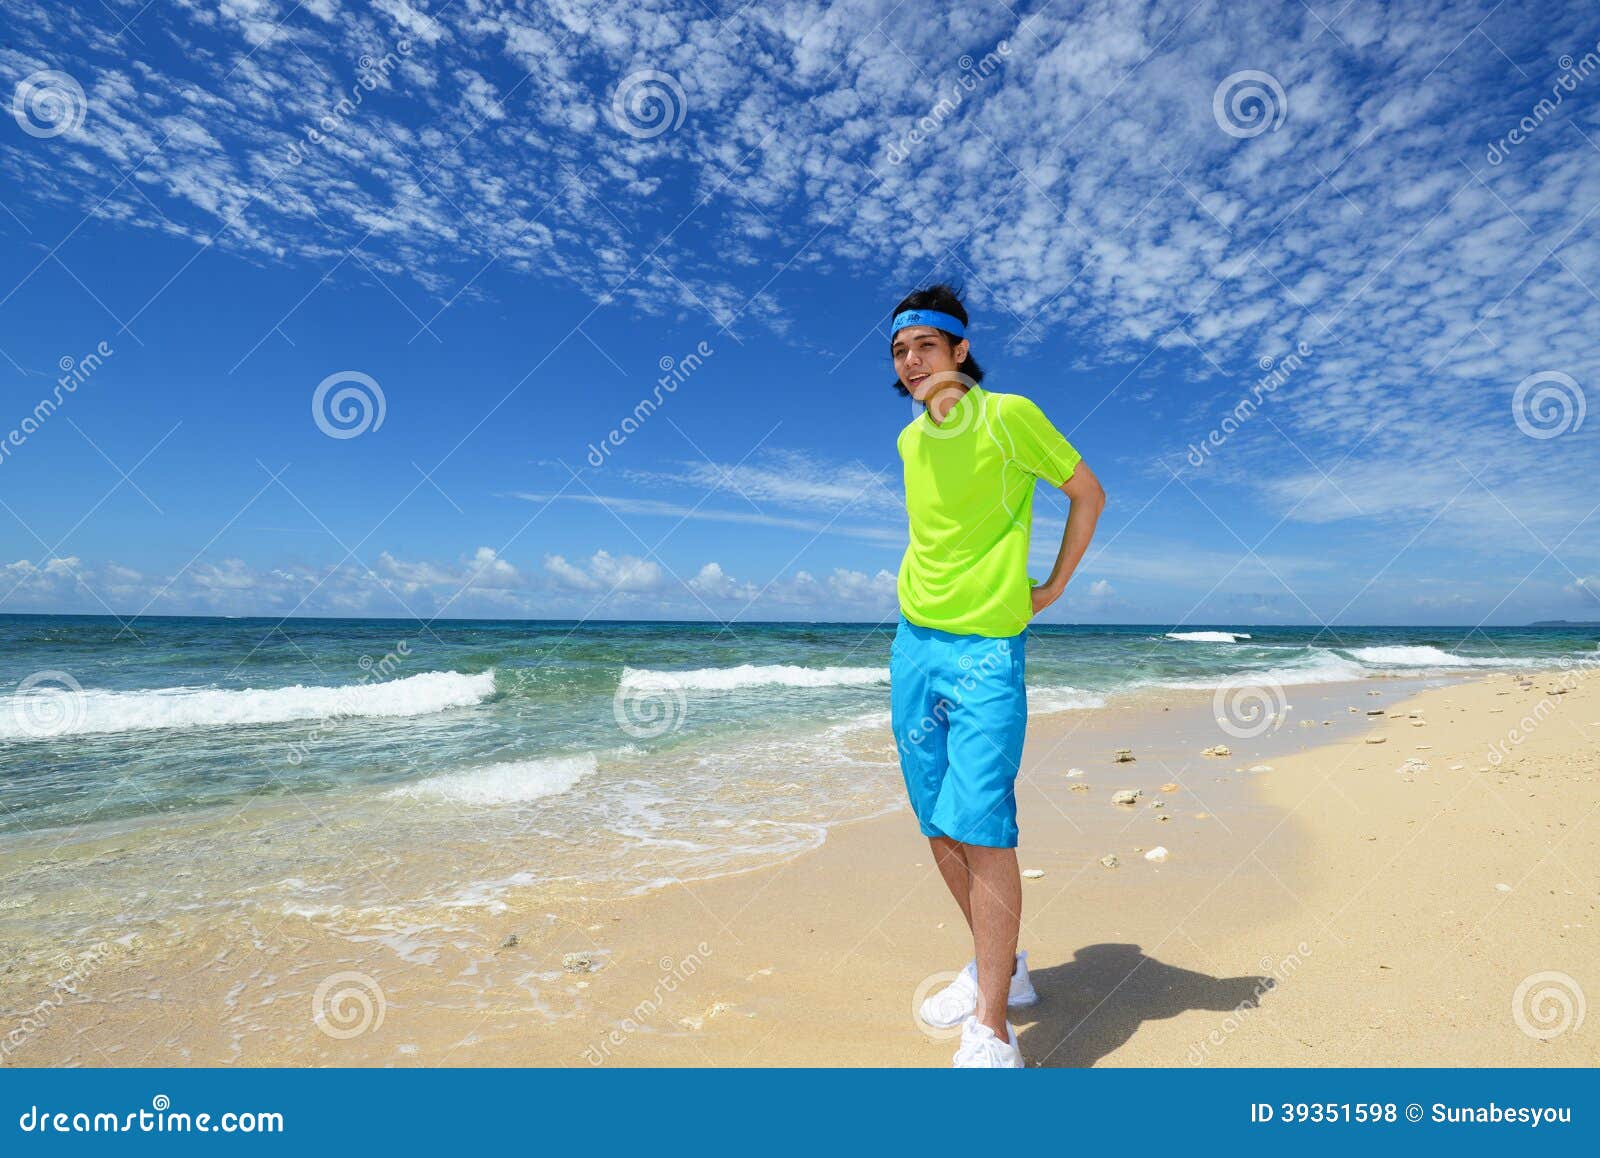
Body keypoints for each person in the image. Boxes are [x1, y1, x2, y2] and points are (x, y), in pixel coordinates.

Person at [888, 284, 1106, 1067]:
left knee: (981, 818)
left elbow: (1088, 492)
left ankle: (992, 1027)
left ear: (960, 350)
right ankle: (1003, 970)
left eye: (924, 345)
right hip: (914, 642)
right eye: (900, 351)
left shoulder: (1010, 416)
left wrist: (1053, 587)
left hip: (986, 649)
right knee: (939, 821)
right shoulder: (911, 441)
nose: (911, 361)